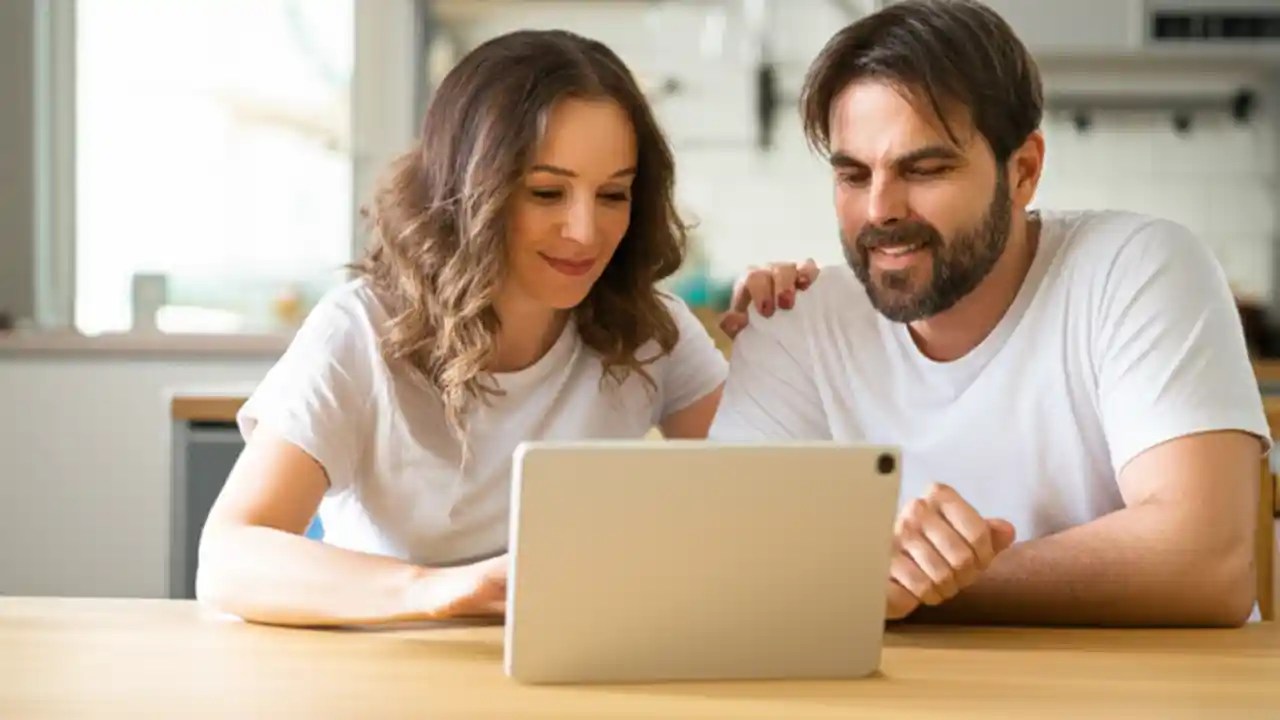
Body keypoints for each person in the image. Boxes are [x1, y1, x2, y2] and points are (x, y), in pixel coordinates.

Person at [196, 29, 810, 627]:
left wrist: (797, 339)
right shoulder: (360, 328)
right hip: (392, 675)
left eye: (613, 195)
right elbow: (228, 559)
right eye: (547, 192)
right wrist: (441, 591)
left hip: (574, 669)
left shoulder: (649, 329)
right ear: (468, 190)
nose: (585, 232)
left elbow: (780, 516)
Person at [710, 0, 1270, 627]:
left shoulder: (1138, 269)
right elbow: (735, 569)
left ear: (1023, 171)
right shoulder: (792, 324)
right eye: (852, 175)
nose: (879, 210)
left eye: (924, 169)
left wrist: (897, 585)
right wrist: (859, 580)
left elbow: (1207, 564)